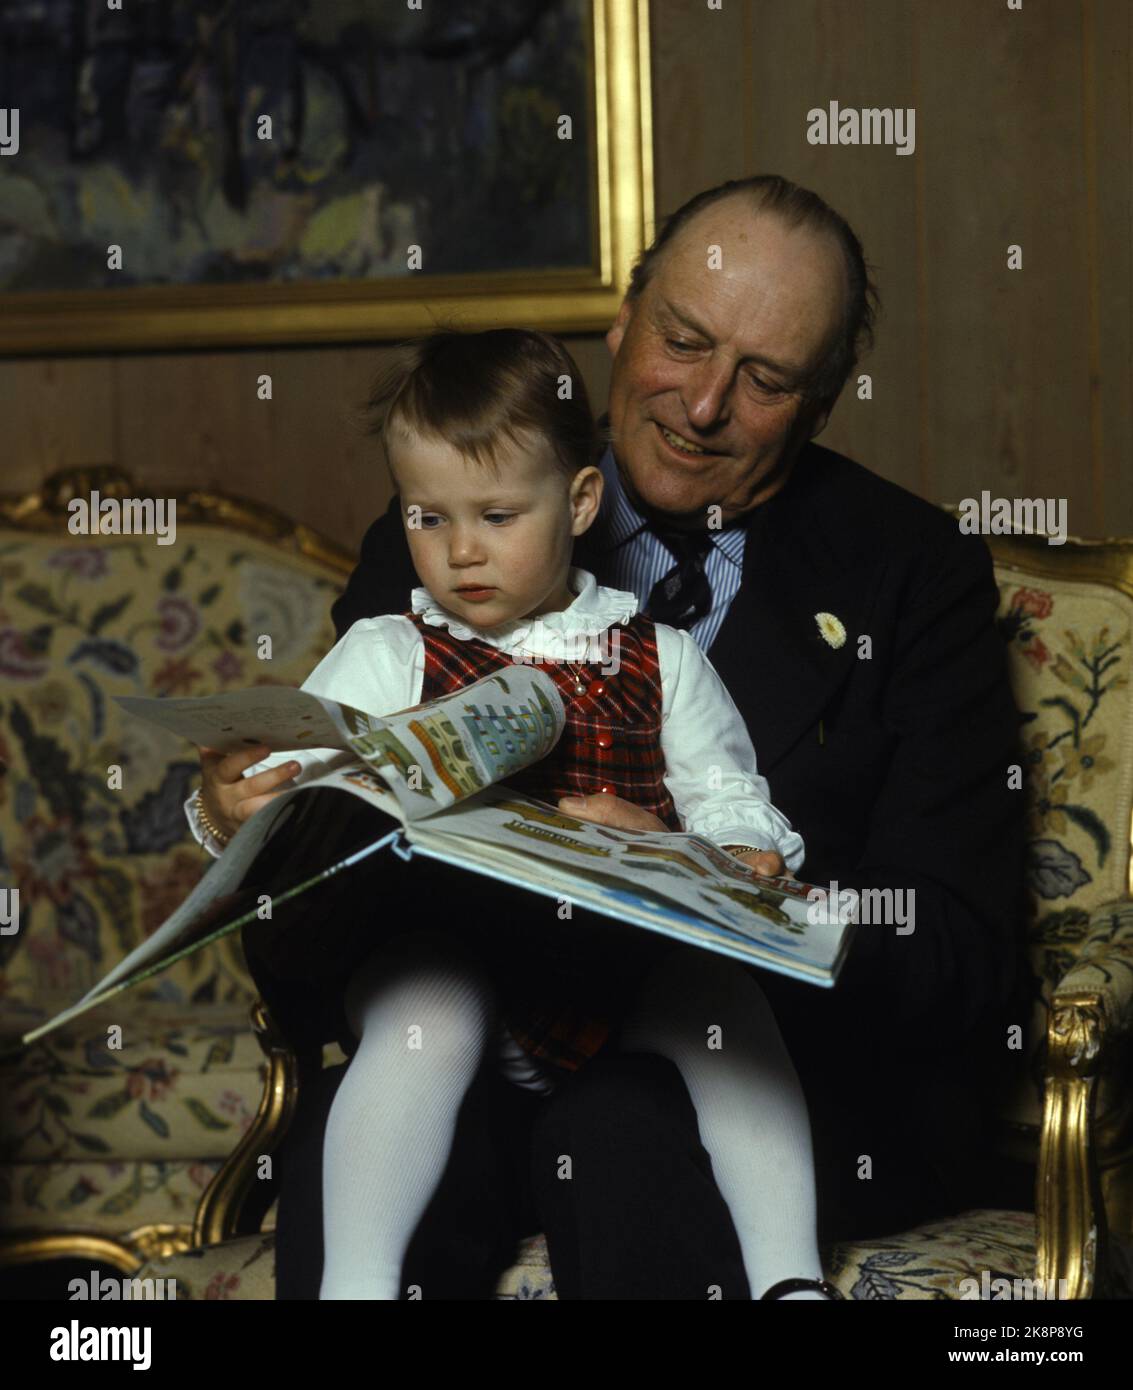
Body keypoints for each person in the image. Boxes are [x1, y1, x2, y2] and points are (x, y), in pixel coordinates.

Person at [320, 174, 1031, 1300]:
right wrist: (259, 815)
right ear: (622, 317)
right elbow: (327, 875)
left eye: (761, 380)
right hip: (476, 1041)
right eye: (682, 341)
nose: (701, 406)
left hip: (772, 1072)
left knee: (622, 1130)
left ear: (825, 399)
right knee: (386, 1109)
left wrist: (712, 886)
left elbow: (956, 948)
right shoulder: (452, 528)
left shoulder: (913, 576)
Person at [186, 326, 850, 1301]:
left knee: (719, 1008)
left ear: (580, 500)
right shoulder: (387, 647)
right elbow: (293, 788)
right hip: (441, 957)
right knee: (426, 1005)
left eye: (496, 515)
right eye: (425, 516)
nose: (458, 552)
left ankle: (787, 1277)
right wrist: (231, 799)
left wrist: (715, 849)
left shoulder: (660, 656)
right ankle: (358, 1286)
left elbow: (726, 792)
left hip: (608, 977)